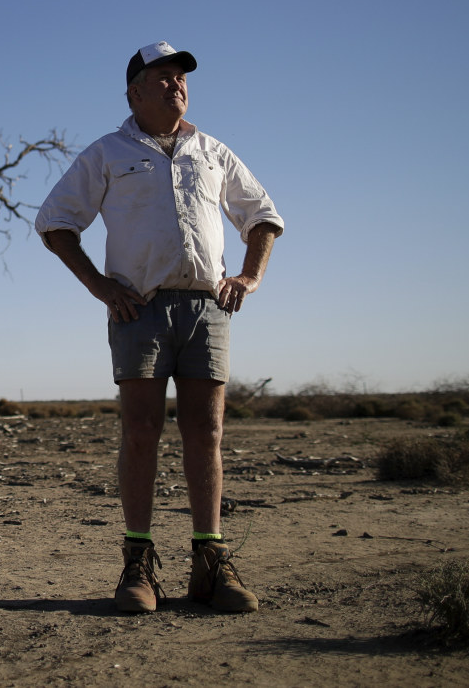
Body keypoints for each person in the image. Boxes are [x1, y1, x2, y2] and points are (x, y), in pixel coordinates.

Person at [35, 41, 284, 614]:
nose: (176, 84)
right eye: (163, 77)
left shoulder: (211, 151)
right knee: (142, 430)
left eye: (181, 77)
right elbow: (55, 222)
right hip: (137, 309)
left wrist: (249, 276)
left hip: (206, 307)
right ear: (134, 92)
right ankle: (138, 564)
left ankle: (210, 561)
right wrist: (99, 285)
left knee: (207, 432)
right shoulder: (108, 152)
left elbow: (262, 215)